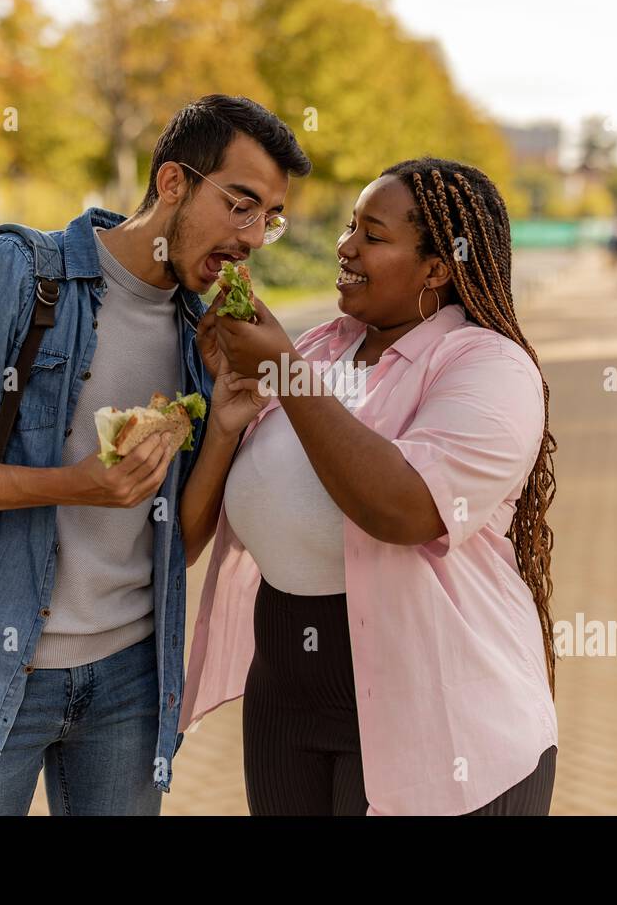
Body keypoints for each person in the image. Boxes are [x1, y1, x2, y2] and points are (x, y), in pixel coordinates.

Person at [0, 94, 310, 814]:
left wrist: (223, 426)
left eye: (269, 218)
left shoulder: (201, 336)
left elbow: (179, 546)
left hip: (132, 683)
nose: (255, 236)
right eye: (241, 204)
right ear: (173, 183)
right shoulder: (16, 273)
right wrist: (73, 483)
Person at [179, 157, 559, 815]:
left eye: (373, 236)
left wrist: (287, 374)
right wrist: (224, 418)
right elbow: (205, 529)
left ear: (438, 268)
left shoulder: (491, 368)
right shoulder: (326, 347)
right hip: (288, 712)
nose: (345, 246)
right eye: (350, 227)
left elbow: (402, 508)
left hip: (440, 720)